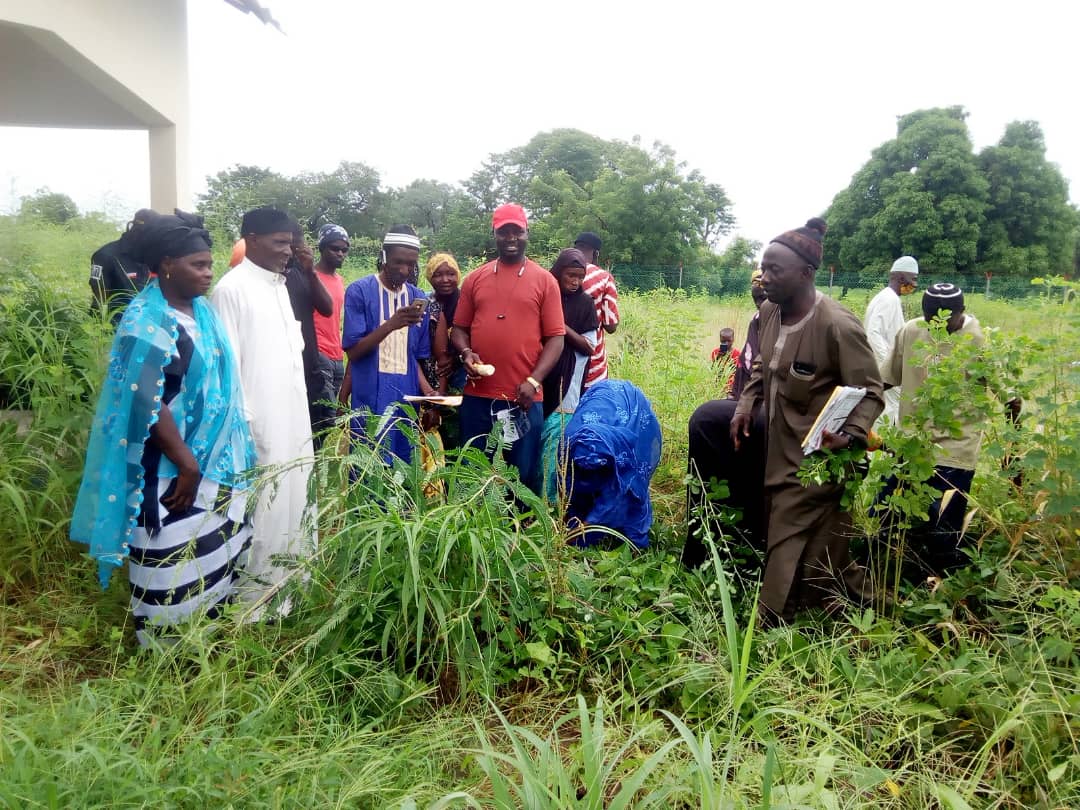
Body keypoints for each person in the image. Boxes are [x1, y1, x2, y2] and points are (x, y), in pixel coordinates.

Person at [71, 213, 257, 646]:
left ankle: (207, 642)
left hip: (216, 461)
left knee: (214, 555)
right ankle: (167, 655)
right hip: (173, 468)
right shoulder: (147, 318)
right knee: (172, 561)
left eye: (210, 264)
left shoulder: (203, 312)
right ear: (167, 264)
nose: (208, 272)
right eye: (198, 264)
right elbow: (144, 398)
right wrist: (187, 464)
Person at [730, 218, 884, 625]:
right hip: (778, 450)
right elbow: (764, 363)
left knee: (784, 533)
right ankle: (853, 600)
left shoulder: (837, 324)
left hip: (820, 454)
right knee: (823, 547)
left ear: (806, 274)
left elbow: (871, 390)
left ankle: (768, 621)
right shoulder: (768, 313)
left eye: (774, 269)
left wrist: (850, 434)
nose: (764, 278)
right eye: (763, 268)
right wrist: (747, 402)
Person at [210, 206, 316, 613]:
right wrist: (247, 429)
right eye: (278, 243)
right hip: (260, 426)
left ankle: (291, 591)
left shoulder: (279, 285)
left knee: (295, 497)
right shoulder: (231, 289)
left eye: (289, 242)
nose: (287, 251)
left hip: (292, 416)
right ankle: (254, 604)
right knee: (265, 507)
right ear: (251, 240)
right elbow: (229, 372)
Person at [879, 282, 1017, 577]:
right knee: (885, 515)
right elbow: (886, 378)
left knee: (942, 527)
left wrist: (1013, 449)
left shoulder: (979, 340)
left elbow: (1010, 398)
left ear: (961, 313)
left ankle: (944, 587)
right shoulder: (912, 331)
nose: (937, 325)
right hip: (912, 444)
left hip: (955, 449)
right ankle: (893, 573)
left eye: (945, 319)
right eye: (932, 319)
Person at [451, 204, 565, 491]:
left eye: (517, 231)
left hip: (523, 397)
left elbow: (556, 338)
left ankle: (518, 530)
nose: (511, 237)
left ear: (527, 233)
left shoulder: (545, 281)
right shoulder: (476, 278)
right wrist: (466, 353)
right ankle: (471, 528)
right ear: (494, 234)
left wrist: (533, 380)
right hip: (478, 394)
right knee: (472, 470)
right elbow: (459, 330)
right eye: (504, 232)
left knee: (522, 476)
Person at [683, 268, 769, 569]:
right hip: (748, 409)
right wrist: (738, 407)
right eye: (757, 296)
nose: (761, 301)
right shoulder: (758, 322)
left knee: (707, 419)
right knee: (710, 423)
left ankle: (745, 540)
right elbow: (744, 380)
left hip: (779, 415)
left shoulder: (793, 321)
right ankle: (704, 538)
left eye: (765, 295)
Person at [340, 226, 430, 463]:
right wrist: (391, 324)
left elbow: (414, 357)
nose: (405, 270)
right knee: (368, 468)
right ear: (384, 256)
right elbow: (354, 351)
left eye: (411, 264)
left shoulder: (417, 297)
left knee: (403, 469)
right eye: (398, 262)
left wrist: (430, 395)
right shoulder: (359, 291)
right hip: (370, 397)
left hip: (406, 399)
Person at [562, 380, 661, 549]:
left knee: (628, 488)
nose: (589, 471)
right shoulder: (568, 443)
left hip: (631, 416)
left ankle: (632, 540)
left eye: (597, 469)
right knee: (576, 487)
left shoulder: (623, 453)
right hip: (601, 403)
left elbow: (613, 496)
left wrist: (580, 531)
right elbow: (565, 483)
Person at [540, 248, 599, 502]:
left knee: (555, 439)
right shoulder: (544, 295)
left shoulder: (585, 303)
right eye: (570, 276)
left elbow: (589, 346)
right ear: (557, 273)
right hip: (539, 377)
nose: (575, 282)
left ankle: (549, 501)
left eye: (579, 276)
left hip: (568, 380)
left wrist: (560, 326)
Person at [284, 225, 334, 445]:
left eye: (297, 245)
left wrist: (310, 271)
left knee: (315, 438)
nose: (291, 252)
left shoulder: (302, 274)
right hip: (282, 373)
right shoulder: (268, 281)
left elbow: (327, 307)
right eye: (287, 245)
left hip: (309, 370)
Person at [864, 256, 919, 426]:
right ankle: (881, 450)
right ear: (901, 278)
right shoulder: (889, 299)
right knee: (889, 410)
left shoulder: (887, 297)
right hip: (884, 369)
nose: (914, 284)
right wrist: (889, 363)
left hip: (882, 367)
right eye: (913, 279)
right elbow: (873, 333)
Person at [311, 224, 350, 439]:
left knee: (337, 412)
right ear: (322, 248)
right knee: (324, 417)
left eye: (344, 250)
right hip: (318, 352)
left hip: (337, 355)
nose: (340, 254)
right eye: (335, 248)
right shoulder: (310, 277)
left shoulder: (339, 281)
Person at [89, 208, 158, 324]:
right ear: (135, 230)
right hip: (118, 327)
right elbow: (99, 301)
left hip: (154, 325)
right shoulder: (105, 255)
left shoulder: (156, 254)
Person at [575, 232, 620, 389]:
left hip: (560, 361)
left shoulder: (558, 273)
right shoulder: (604, 278)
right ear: (596, 253)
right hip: (593, 366)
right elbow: (611, 326)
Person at [710, 327, 740, 391]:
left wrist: (729, 359)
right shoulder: (715, 352)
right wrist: (718, 358)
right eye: (723, 341)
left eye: (729, 341)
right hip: (717, 384)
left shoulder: (737, 354)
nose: (726, 343)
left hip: (731, 386)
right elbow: (713, 370)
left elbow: (736, 372)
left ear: (733, 339)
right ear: (720, 339)